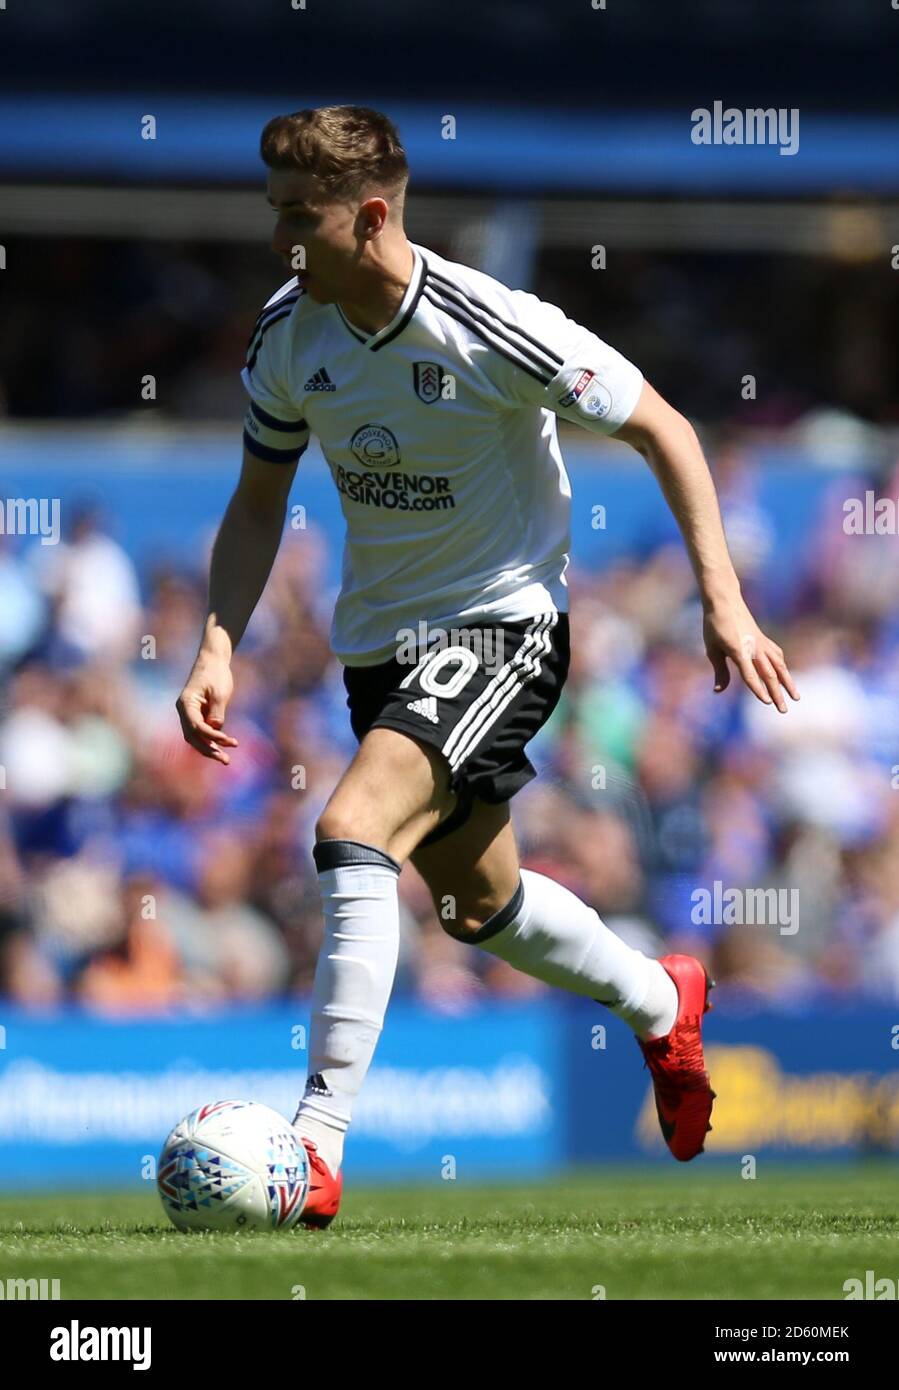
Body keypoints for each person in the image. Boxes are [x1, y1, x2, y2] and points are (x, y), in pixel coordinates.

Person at [177, 105, 798, 1227]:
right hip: (380, 646)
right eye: (273, 213)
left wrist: (721, 599)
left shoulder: (491, 325)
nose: (280, 241)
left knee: (350, 824)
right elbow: (258, 494)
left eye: (297, 218)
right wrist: (219, 639)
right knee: (480, 904)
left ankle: (314, 1145)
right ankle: (663, 1001)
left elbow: (665, 427)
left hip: (502, 629)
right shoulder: (287, 335)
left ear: (369, 216)